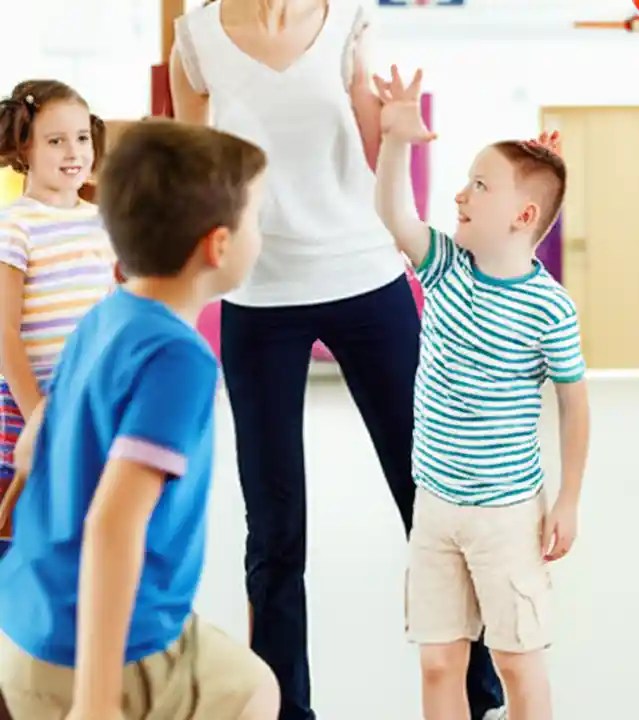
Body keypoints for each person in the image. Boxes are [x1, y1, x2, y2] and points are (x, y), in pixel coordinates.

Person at [168, 1, 505, 717]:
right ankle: (286, 705)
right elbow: (191, 173)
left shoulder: (348, 18)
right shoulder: (196, 38)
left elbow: (375, 140)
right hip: (259, 297)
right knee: (276, 524)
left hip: (366, 282)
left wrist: (401, 135)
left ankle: (478, 681)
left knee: (428, 497)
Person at [0, 119, 279, 719]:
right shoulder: (179, 358)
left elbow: (37, 440)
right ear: (218, 246)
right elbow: (114, 524)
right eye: (257, 217)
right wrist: (96, 703)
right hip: (99, 654)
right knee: (256, 696)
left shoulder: (106, 317)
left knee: (250, 684)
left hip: (29, 622)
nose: (264, 231)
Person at [372, 66, 589, 720]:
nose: (461, 195)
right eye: (466, 180)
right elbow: (393, 212)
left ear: (523, 216)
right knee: (439, 661)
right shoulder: (444, 266)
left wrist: (569, 500)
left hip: (506, 515)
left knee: (517, 661)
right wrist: (395, 139)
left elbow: (575, 407)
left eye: (479, 185)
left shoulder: (549, 309)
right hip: (435, 503)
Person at [0, 80, 116, 547]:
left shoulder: (104, 223)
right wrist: (37, 415)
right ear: (24, 146)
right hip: (26, 406)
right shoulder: (15, 225)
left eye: (82, 137)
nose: (74, 151)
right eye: (56, 140)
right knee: (16, 534)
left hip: (88, 407)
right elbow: (4, 330)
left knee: (76, 535)